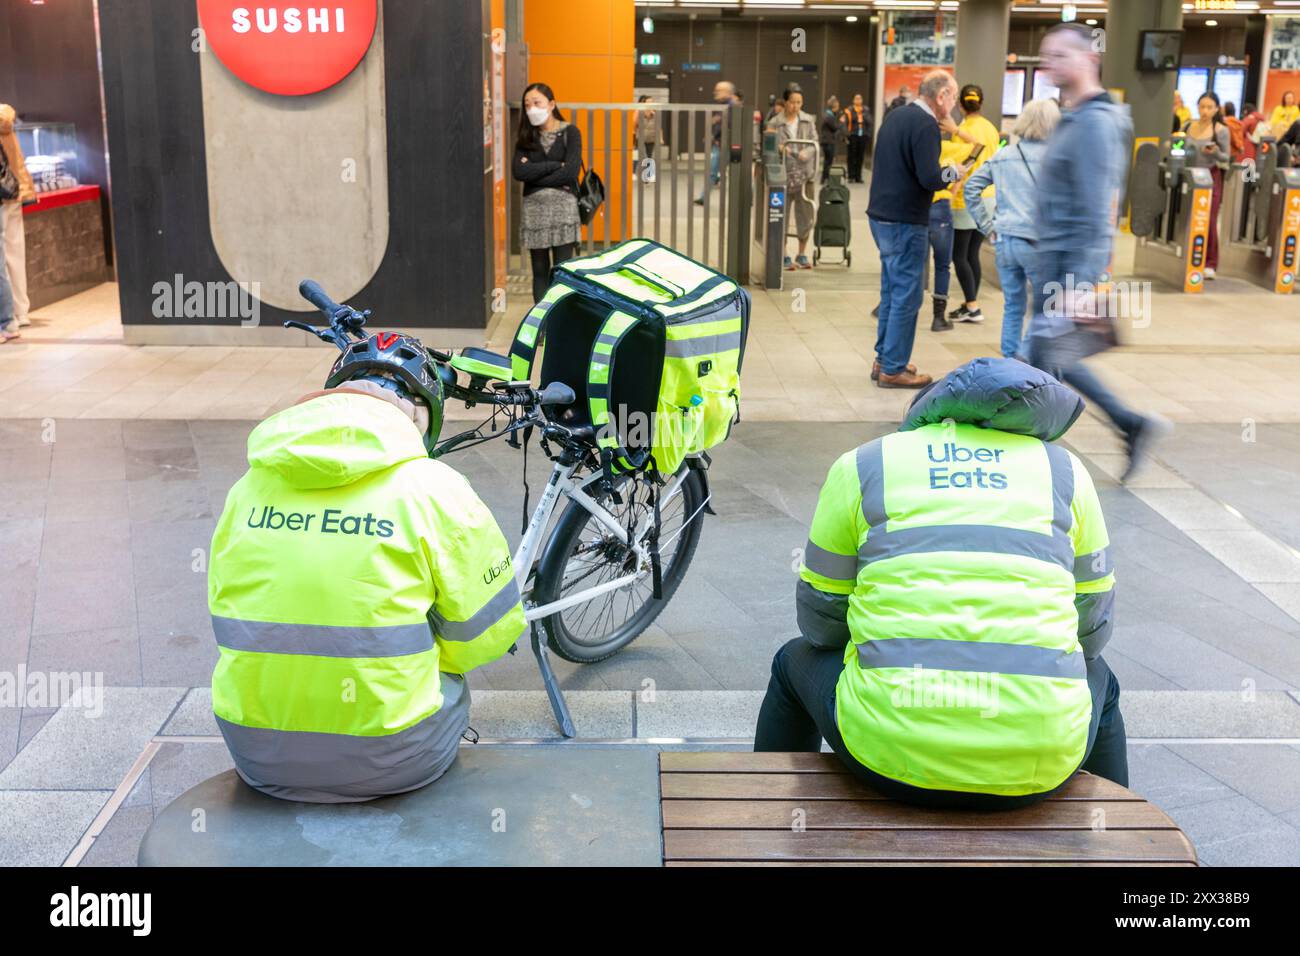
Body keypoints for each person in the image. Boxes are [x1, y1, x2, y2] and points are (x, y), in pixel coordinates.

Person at [757, 357, 1127, 809]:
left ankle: (774, 820)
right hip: (1041, 762)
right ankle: (1119, 835)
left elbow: (820, 625)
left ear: (928, 408)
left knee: (791, 661)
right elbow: (1092, 630)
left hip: (885, 754)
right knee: (1100, 681)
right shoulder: (1067, 473)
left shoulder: (865, 463)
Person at [208, 336, 526, 802]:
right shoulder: (433, 488)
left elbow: (230, 605)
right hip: (396, 759)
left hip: (256, 752)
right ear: (421, 416)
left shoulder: (248, 488)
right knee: (443, 663)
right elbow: (485, 636)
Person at [1029, 21, 1169, 483]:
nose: (1049, 64)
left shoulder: (1094, 125)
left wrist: (1082, 282)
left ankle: (1125, 426)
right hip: (1053, 262)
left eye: (1059, 56)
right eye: (1046, 56)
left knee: (1044, 357)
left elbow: (1097, 211)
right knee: (1046, 359)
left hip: (1067, 269)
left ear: (1089, 59)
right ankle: (1130, 425)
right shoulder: (1071, 118)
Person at [867, 70, 966, 389]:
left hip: (881, 216)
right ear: (940, 96)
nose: (955, 103)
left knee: (891, 291)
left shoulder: (896, 116)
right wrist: (954, 172)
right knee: (907, 295)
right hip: (905, 220)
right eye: (953, 96)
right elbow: (929, 177)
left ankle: (885, 358)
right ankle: (893, 368)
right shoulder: (926, 125)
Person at [964, 98, 1061, 358]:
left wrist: (987, 226)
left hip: (1005, 242)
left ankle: (1011, 367)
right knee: (1047, 309)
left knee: (1013, 307)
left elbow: (971, 187)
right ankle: (1030, 363)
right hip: (1038, 244)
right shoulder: (1056, 160)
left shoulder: (1004, 155)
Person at [512, 82, 582, 304]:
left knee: (562, 273)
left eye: (537, 103)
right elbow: (519, 171)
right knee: (540, 271)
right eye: (527, 104)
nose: (532, 108)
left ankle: (560, 321)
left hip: (564, 213)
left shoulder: (570, 132)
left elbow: (570, 172)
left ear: (551, 104)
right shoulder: (526, 138)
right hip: (535, 214)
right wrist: (555, 166)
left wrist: (537, 178)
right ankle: (541, 325)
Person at [946, 84, 1001, 324]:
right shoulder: (990, 128)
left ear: (960, 105)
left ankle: (973, 305)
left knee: (959, 255)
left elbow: (963, 166)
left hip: (966, 200)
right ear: (981, 103)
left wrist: (950, 192)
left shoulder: (963, 130)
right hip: (989, 197)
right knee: (972, 253)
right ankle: (971, 304)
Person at [768, 88, 818, 270]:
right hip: (784, 174)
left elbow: (815, 141)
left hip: (805, 174)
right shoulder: (775, 122)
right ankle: (784, 254)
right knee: (781, 214)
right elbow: (768, 144)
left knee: (805, 214)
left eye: (799, 102)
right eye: (792, 102)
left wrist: (807, 151)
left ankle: (802, 253)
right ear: (785, 102)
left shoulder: (807, 120)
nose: (795, 106)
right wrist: (780, 148)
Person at [1183, 91, 1230, 280]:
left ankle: (1210, 262)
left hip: (1210, 177)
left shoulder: (1221, 130)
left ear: (1216, 109)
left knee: (1208, 219)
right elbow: (1178, 148)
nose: (1205, 111)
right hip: (1189, 176)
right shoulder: (1187, 126)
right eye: (1202, 106)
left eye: (1209, 107)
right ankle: (1189, 254)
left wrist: (1216, 152)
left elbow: (1226, 157)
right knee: (1188, 216)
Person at [925, 135, 969, 333]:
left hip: (921, 207)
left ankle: (894, 308)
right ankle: (938, 318)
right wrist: (955, 128)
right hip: (941, 208)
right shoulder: (950, 148)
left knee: (915, 262)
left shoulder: (921, 150)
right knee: (942, 265)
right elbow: (976, 147)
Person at [0, 103, 34, 341]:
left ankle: (8, 316)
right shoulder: (6, 118)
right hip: (14, 191)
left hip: (2, 197)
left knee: (2, 261)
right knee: (15, 253)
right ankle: (20, 312)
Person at [695, 80, 737, 205]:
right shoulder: (723, 105)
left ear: (728, 92)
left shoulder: (731, 106)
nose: (715, 93)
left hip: (726, 145)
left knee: (717, 172)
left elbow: (726, 125)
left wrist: (715, 136)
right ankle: (703, 197)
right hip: (721, 144)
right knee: (714, 171)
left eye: (719, 90)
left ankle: (704, 197)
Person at [842, 93, 872, 183]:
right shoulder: (849, 110)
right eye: (856, 99)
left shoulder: (866, 110)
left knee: (860, 156)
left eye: (860, 99)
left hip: (862, 136)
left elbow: (870, 123)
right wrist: (846, 135)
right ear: (853, 100)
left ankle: (858, 176)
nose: (858, 100)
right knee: (851, 156)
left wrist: (868, 134)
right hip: (852, 135)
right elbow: (844, 123)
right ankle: (851, 176)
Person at [635, 95, 662, 182]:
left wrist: (661, 138)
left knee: (649, 157)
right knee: (644, 156)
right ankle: (641, 174)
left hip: (651, 138)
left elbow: (659, 127)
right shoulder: (639, 113)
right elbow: (634, 124)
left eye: (652, 101)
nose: (650, 103)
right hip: (641, 138)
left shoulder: (655, 114)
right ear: (644, 103)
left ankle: (648, 176)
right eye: (649, 101)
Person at [819, 95, 843, 184]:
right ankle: (826, 178)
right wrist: (841, 122)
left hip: (827, 141)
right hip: (828, 142)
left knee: (827, 161)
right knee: (828, 161)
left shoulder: (828, 115)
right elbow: (835, 127)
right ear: (834, 106)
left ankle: (824, 178)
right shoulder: (829, 116)